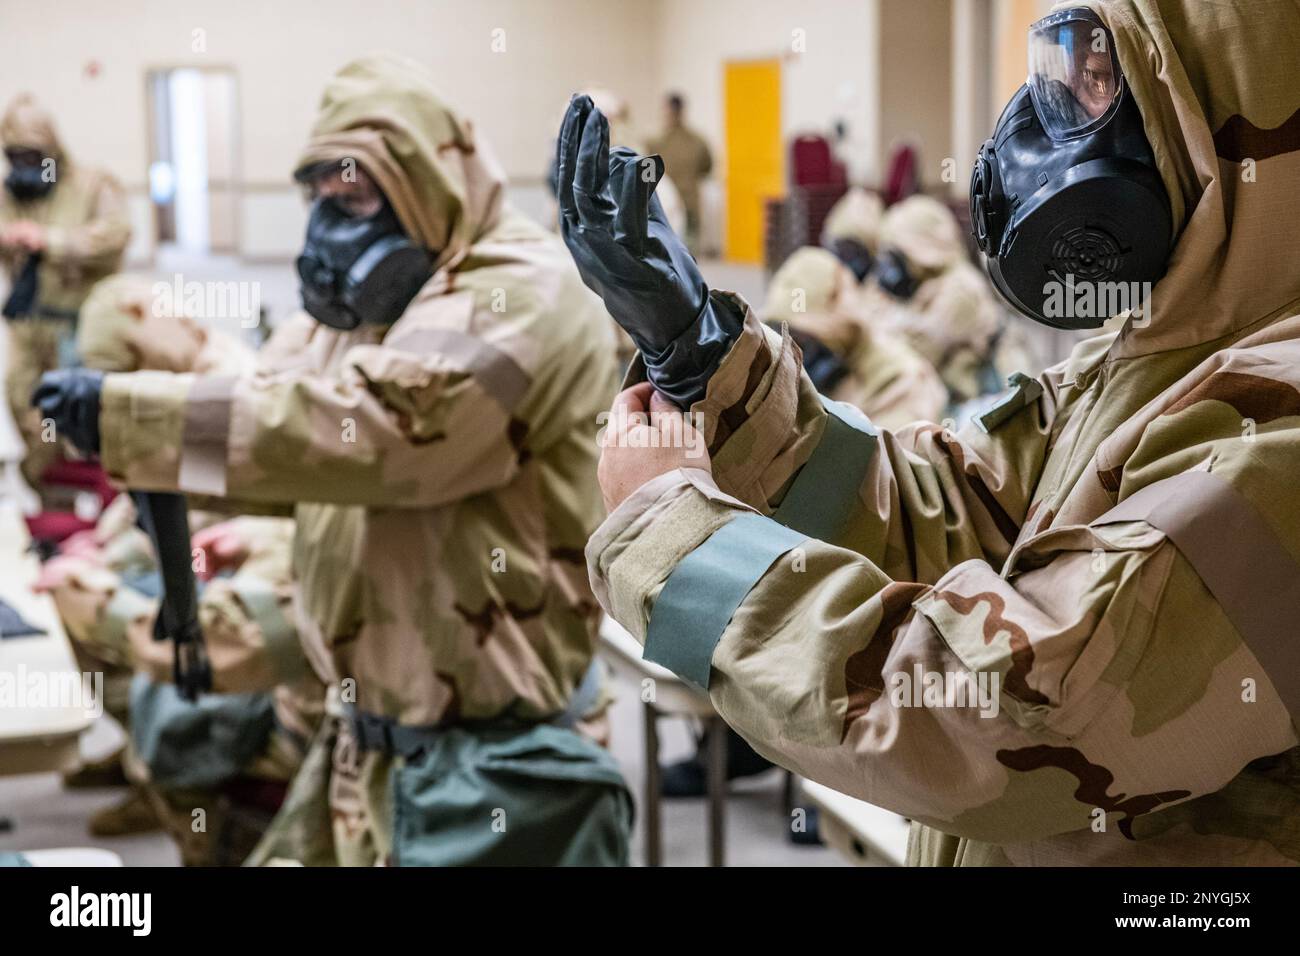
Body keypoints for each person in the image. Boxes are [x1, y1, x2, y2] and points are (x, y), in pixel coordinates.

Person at [559, 0, 1300, 866]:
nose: (1047, 130)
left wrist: (680, 551)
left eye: (1099, 84)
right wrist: (706, 358)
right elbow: (935, 511)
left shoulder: (1275, 421)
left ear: (1224, 111)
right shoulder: (1151, 356)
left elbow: (1013, 716)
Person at [35, 53, 631, 866]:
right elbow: (276, 425)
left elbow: (387, 428)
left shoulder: (523, 288)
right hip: (367, 746)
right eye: (316, 198)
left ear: (426, 186)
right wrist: (156, 474)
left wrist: (136, 417)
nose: (328, 226)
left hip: (492, 764)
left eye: (352, 198)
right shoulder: (364, 304)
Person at [1, 94, 129, 489]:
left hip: (79, 326)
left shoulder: (91, 185)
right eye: (14, 156)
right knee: (31, 415)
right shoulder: (12, 195)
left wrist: (49, 241)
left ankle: (100, 511)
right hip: (29, 326)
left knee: (85, 420)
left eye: (33, 156)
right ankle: (55, 510)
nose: (24, 166)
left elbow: (115, 235)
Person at [763, 247, 946, 431]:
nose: (793, 355)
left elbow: (879, 456)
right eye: (782, 337)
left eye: (802, 341)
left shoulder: (900, 381)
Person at [872, 195, 1006, 406]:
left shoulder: (961, 289)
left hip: (961, 408)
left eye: (899, 255)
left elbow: (919, 351)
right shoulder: (928, 282)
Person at [647, 93, 712, 253]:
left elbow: (647, 174)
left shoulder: (655, 143)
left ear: (667, 111)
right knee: (688, 255)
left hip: (664, 205)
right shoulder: (698, 141)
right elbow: (707, 168)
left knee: (665, 253)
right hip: (689, 202)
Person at [820, 187, 884, 283]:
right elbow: (873, 233)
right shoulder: (868, 201)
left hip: (836, 246)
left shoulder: (853, 198)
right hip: (852, 247)